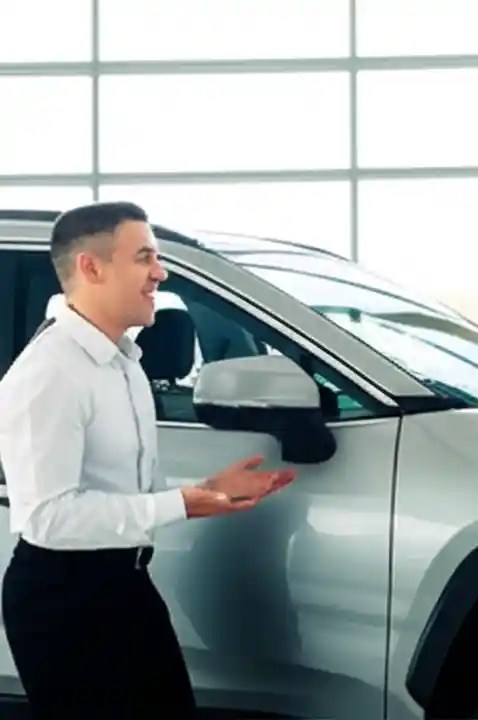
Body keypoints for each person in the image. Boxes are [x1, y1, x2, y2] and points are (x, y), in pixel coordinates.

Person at [0, 201, 298, 718]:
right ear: (91, 268)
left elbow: (120, 494)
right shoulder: (47, 373)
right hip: (64, 603)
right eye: (144, 258)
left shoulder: (124, 362)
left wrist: (209, 489)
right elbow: (47, 517)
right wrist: (183, 503)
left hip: (127, 584)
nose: (160, 272)